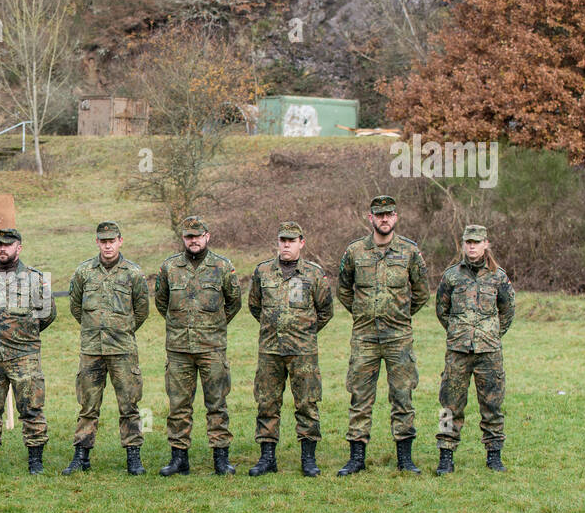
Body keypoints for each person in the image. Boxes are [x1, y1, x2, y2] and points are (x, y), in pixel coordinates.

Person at [335, 194, 431, 475]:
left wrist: (400, 314)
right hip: (364, 336)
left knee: (402, 395)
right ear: (371, 218)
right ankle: (356, 458)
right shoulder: (354, 252)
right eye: (379, 215)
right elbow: (343, 288)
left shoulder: (410, 252)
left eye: (389, 214)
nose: (384, 219)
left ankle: (405, 458)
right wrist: (362, 312)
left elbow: (422, 291)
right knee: (360, 396)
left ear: (396, 217)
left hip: (398, 336)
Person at [153, 216, 241, 476]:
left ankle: (221, 459)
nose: (193, 240)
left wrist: (213, 325)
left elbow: (233, 302)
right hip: (179, 350)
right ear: (183, 238)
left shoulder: (222, 267)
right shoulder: (169, 267)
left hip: (212, 348)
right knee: (178, 406)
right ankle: (179, 459)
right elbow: (162, 302)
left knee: (217, 404)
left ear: (207, 236)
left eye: (198, 236)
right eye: (189, 236)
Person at [246, 221, 333, 477]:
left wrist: (304, 331)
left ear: (301, 243)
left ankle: (308, 459)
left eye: (291, 241)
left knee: (307, 403)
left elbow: (325, 310)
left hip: (302, 352)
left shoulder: (314, 274)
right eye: (282, 240)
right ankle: (267, 458)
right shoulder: (263, 272)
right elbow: (255, 306)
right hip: (270, 350)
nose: (286, 245)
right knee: (266, 403)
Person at [64, 220, 150, 475]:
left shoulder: (133, 273)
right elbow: (76, 307)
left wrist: (121, 329)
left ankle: (133, 457)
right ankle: (81, 455)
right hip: (92, 350)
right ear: (97, 243)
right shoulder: (84, 272)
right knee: (88, 406)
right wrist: (95, 328)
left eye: (112, 241)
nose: (108, 245)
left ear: (120, 241)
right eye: (103, 241)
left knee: (130, 405)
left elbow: (142, 310)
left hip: (123, 350)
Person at [0, 229, 56, 474]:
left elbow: (48, 313)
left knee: (31, 408)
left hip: (24, 356)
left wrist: (23, 335)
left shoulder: (34, 278)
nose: (2, 249)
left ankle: (35, 460)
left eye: (8, 245)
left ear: (19, 247)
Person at [434, 225, 515, 475]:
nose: (471, 246)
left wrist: (489, 334)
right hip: (458, 352)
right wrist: (459, 332)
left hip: (488, 352)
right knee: (450, 405)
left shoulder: (498, 277)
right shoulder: (451, 276)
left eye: (476, 242)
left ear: (485, 244)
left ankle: (494, 455)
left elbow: (508, 310)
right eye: (468, 242)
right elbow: (441, 309)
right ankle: (446, 455)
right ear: (463, 244)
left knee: (492, 404)